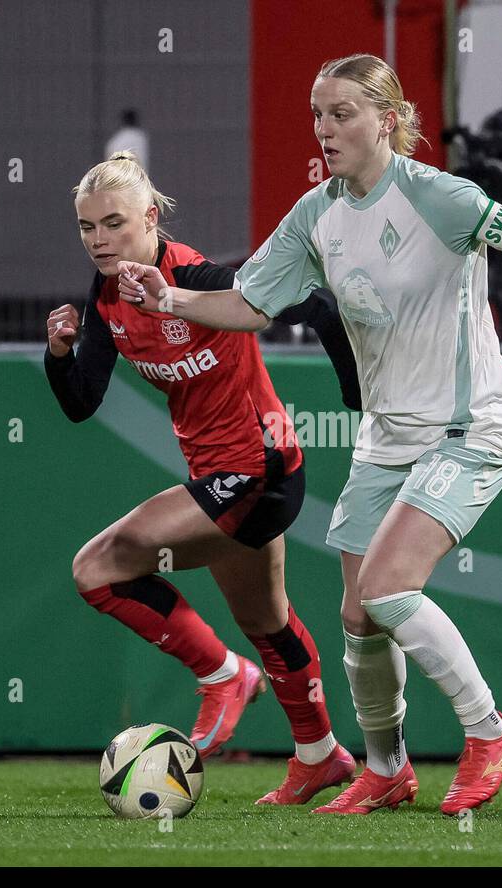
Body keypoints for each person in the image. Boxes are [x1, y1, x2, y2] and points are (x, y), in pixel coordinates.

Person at [116, 54, 502, 815]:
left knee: (388, 588)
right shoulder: (316, 213)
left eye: (342, 113)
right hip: (387, 439)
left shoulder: (440, 197)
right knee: (356, 613)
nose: (325, 129)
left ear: (387, 120)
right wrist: (169, 295)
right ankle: (387, 768)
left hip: (470, 425)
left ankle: (490, 730)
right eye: (318, 114)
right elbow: (251, 305)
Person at [45, 151, 360, 805]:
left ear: (151, 218)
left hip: (260, 471)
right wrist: (57, 354)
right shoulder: (106, 299)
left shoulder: (205, 277)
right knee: (269, 622)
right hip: (220, 479)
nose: (99, 240)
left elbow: (322, 309)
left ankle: (221, 675)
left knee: (95, 568)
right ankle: (320, 755)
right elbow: (81, 403)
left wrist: (360, 398)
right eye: (86, 227)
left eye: (114, 223)